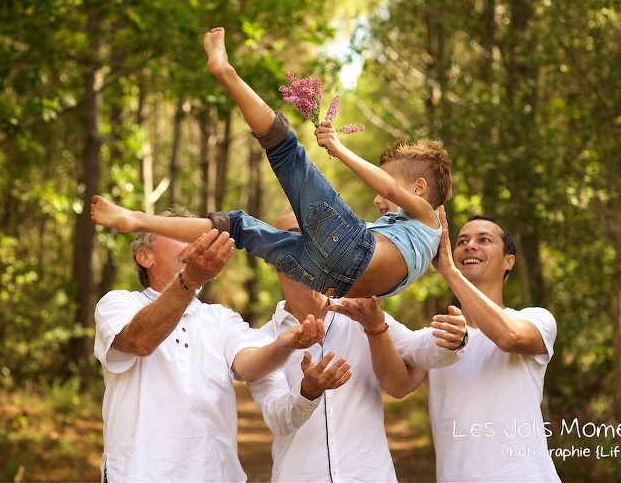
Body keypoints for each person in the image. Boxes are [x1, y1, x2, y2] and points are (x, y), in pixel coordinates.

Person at [90, 26, 452, 300]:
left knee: (285, 149)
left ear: (419, 189)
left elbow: (387, 187)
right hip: (332, 283)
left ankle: (225, 71)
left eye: (387, 193)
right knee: (238, 227)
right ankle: (134, 219)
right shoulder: (423, 244)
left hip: (351, 255)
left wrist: (340, 150)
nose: (378, 199)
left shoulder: (424, 215)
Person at [93, 206, 328, 483]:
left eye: (197, 235)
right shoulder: (119, 304)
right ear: (145, 256)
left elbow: (250, 367)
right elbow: (139, 341)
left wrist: (284, 345)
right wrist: (190, 279)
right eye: (179, 235)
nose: (195, 243)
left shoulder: (220, 318)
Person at [247, 211, 467, 482]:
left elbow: (418, 348)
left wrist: (452, 337)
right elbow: (278, 419)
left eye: (315, 238)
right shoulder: (263, 341)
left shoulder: (361, 315)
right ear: (271, 255)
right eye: (294, 235)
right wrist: (308, 391)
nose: (307, 245)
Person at [417, 206, 560, 482]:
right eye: (462, 241)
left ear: (509, 261)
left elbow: (508, 338)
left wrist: (450, 274)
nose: (470, 246)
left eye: (483, 240)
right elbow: (397, 386)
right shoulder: (437, 336)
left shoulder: (536, 319)